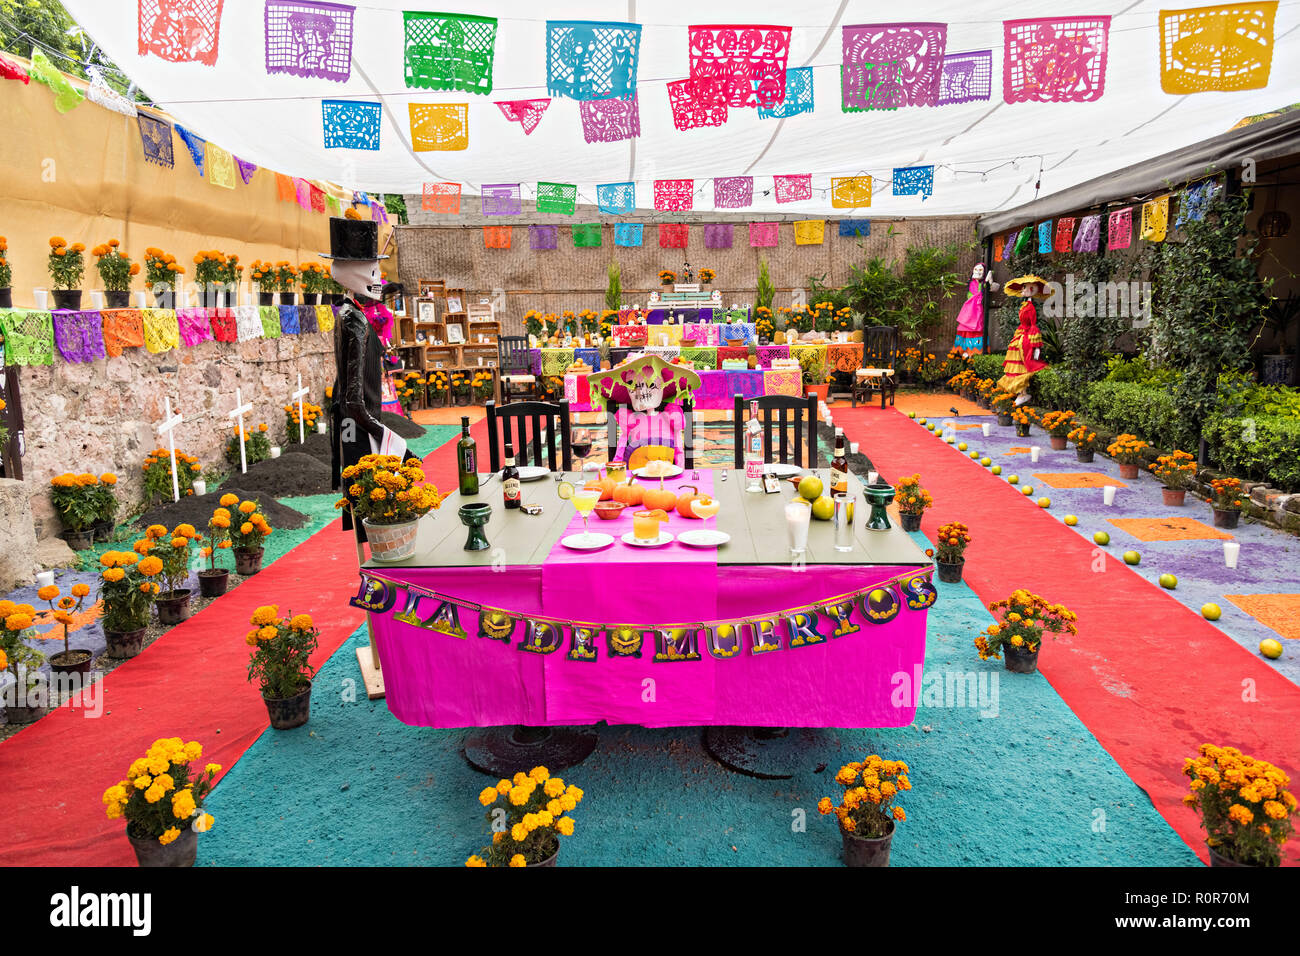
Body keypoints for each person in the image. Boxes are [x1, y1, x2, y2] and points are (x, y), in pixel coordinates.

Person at [322, 216, 409, 540]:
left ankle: (373, 568)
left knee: (365, 508)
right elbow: (353, 398)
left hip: (351, 424)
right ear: (354, 274)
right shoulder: (355, 321)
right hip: (359, 427)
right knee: (372, 508)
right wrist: (385, 434)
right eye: (373, 272)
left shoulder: (347, 312)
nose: (379, 281)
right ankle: (377, 572)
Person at [586, 354, 701, 470]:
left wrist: (681, 470)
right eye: (633, 385)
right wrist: (612, 467)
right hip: (635, 476)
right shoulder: (630, 420)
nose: (641, 390)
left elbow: (679, 450)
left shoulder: (670, 417)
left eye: (651, 384)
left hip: (666, 474)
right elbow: (620, 450)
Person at [998, 275, 1051, 404]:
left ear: (1032, 289)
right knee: (1018, 364)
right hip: (1021, 335)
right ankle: (1022, 392)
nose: (1022, 290)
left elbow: (1033, 325)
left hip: (1025, 338)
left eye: (1025, 287)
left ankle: (1023, 393)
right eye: (1022, 287)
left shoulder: (1030, 307)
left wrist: (1036, 346)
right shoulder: (1026, 304)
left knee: (1023, 364)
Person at [954, 263, 998, 355]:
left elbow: (994, 287)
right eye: (976, 269)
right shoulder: (970, 283)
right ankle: (963, 349)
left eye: (980, 270)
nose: (978, 272)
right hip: (968, 309)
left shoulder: (983, 284)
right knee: (965, 328)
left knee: (977, 328)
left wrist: (989, 279)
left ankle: (975, 351)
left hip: (978, 310)